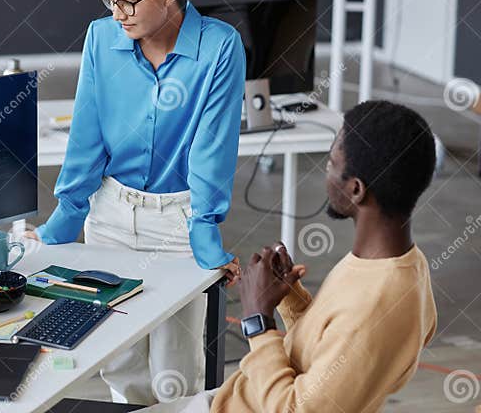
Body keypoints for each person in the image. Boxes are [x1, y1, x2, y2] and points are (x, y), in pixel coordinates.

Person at [24, 0, 245, 404]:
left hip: (178, 224)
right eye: (110, 0)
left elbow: (212, 147)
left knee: (175, 372)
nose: (117, 13)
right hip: (110, 215)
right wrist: (67, 214)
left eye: (128, 1)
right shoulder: (102, 39)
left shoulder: (218, 48)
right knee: (119, 363)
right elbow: (86, 134)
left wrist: (205, 231)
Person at [137, 100, 438, 412]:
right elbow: (326, 353)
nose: (327, 171)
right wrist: (290, 298)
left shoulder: (375, 306)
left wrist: (257, 320)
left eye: (332, 163)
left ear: (356, 189)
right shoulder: (404, 266)